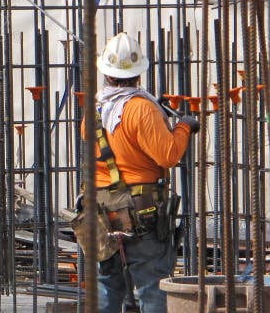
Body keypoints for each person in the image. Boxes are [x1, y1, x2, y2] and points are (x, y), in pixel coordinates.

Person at [82, 32, 200, 313]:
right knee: (153, 286)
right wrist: (184, 127)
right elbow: (168, 155)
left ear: (106, 74)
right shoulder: (142, 109)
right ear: (138, 74)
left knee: (105, 284)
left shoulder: (94, 110)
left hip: (99, 210)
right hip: (140, 210)